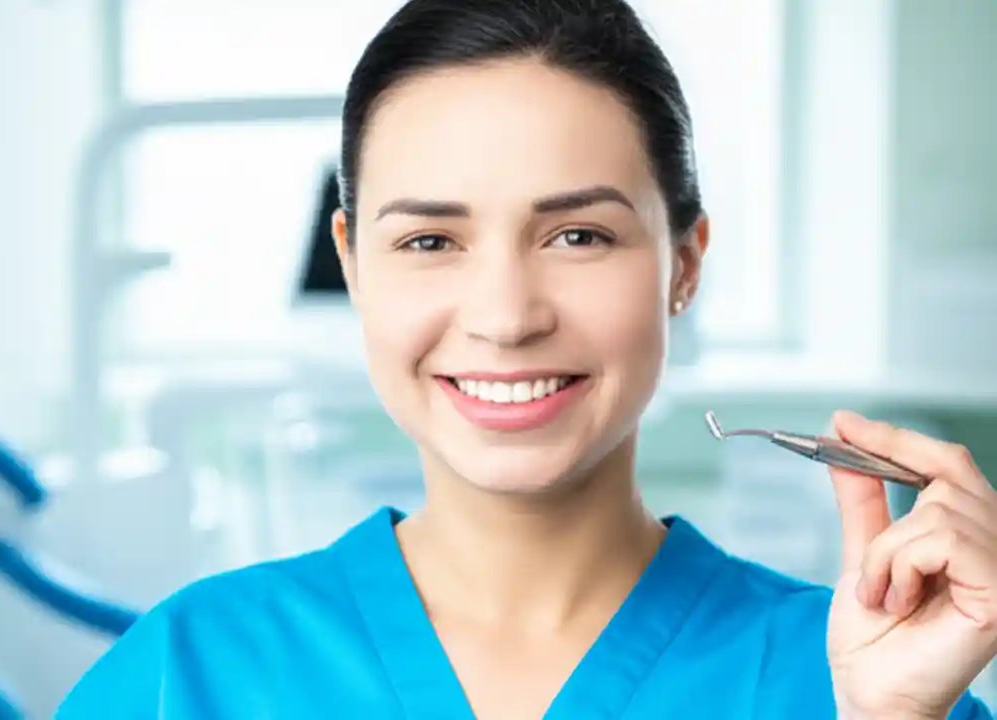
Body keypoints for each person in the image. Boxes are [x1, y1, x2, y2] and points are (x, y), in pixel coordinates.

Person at [58, 1, 997, 717]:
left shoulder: (862, 676)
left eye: (579, 236)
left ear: (685, 262)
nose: (506, 317)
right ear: (352, 266)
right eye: (430, 242)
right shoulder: (191, 672)